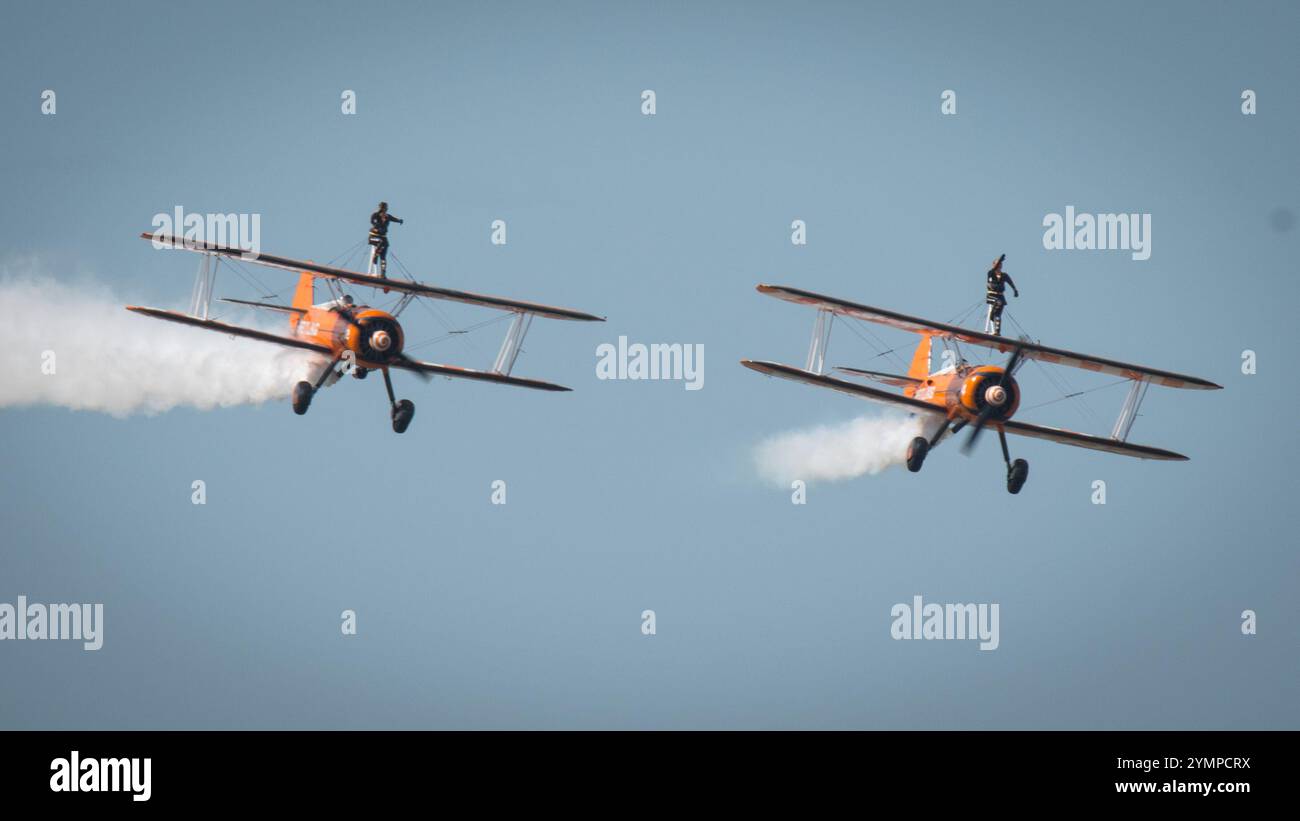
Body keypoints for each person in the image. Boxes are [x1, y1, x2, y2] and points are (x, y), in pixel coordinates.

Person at [984, 254, 1019, 336]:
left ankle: (997, 332)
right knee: (998, 303)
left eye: (1000, 264)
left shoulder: (1004, 275)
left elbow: (1010, 282)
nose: (999, 266)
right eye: (998, 264)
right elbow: (994, 269)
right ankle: (992, 314)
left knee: (998, 314)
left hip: (1000, 296)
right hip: (991, 296)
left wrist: (1015, 290)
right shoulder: (991, 273)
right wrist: (1000, 259)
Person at [368, 202, 404, 276]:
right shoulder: (375, 215)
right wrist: (377, 227)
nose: (384, 209)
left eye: (385, 208)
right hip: (374, 237)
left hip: (383, 237)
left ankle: (383, 273)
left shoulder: (387, 216)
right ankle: (375, 255)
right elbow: (372, 221)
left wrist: (399, 220)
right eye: (382, 208)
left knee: (384, 252)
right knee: (381, 242)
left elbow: (394, 219)